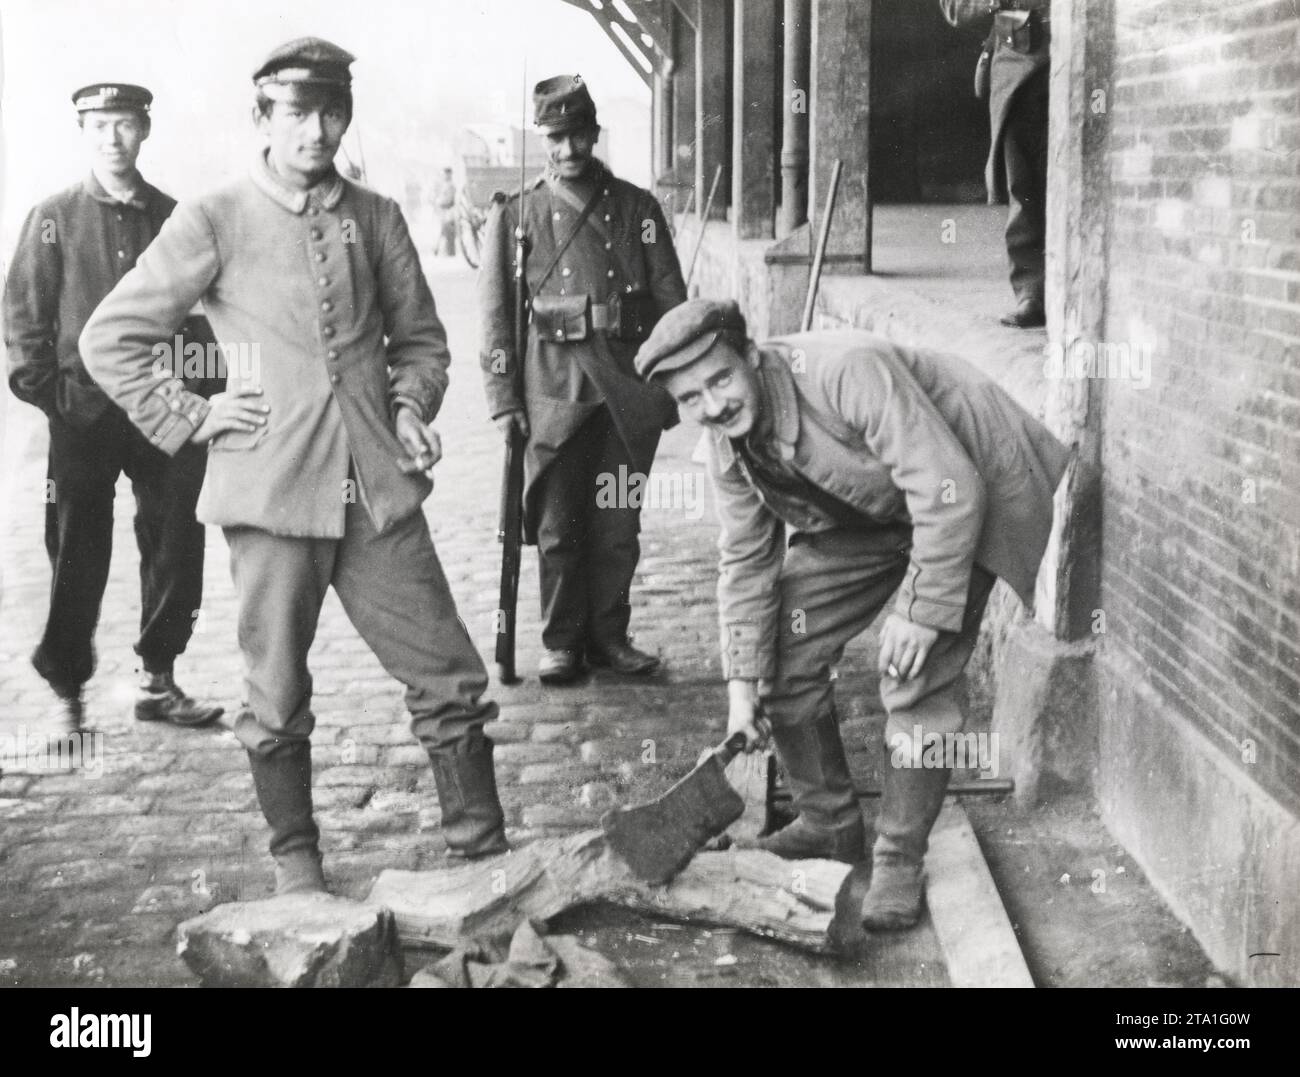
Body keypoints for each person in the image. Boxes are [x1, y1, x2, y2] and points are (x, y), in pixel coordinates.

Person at [80, 38, 509, 895]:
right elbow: (109, 339)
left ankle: (484, 851)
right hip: (271, 493)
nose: (318, 131)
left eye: (333, 112)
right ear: (262, 118)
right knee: (274, 690)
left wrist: (411, 407)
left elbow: (421, 344)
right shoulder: (214, 217)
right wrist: (196, 413)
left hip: (376, 495)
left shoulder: (377, 216)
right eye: (298, 112)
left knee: (449, 673)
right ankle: (298, 868)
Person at [636, 299, 1069, 929]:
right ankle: (828, 825)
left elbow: (949, 487)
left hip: (969, 483)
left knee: (914, 673)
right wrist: (741, 688)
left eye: (722, 379)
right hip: (871, 511)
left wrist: (922, 610)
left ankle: (899, 858)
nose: (714, 404)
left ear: (752, 358)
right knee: (784, 650)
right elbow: (745, 564)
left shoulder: (845, 370)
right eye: (691, 397)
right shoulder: (727, 445)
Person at [3, 82, 224, 733]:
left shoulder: (176, 216)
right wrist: (56, 398)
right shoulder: (52, 217)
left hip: (163, 414)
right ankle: (69, 689)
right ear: (83, 131)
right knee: (76, 552)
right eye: (98, 125)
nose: (111, 137)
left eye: (123, 124)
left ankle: (158, 679)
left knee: (178, 539)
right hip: (83, 418)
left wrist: (197, 401)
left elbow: (204, 316)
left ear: (144, 130)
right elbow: (24, 323)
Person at [479, 74, 686, 685]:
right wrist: (502, 400)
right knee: (558, 525)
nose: (570, 149)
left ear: (596, 134)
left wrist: (672, 384)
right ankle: (562, 641)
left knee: (618, 524)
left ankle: (610, 636)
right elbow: (495, 321)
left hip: (625, 392)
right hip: (553, 393)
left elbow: (673, 306)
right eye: (557, 137)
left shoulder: (639, 210)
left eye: (580, 135)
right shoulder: (517, 216)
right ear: (542, 139)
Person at [941, 1, 1050, 328]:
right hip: (1018, 64)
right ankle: (1032, 292)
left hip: (1082, 53)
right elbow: (955, 8)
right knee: (1024, 185)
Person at [432, 166, 458, 257]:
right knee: (444, 231)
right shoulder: (445, 185)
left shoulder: (451, 185)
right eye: (445, 174)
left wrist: (439, 202)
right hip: (445, 210)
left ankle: (448, 251)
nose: (446, 176)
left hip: (450, 210)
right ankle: (444, 250)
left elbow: (449, 199)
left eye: (447, 174)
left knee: (447, 230)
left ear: (450, 175)